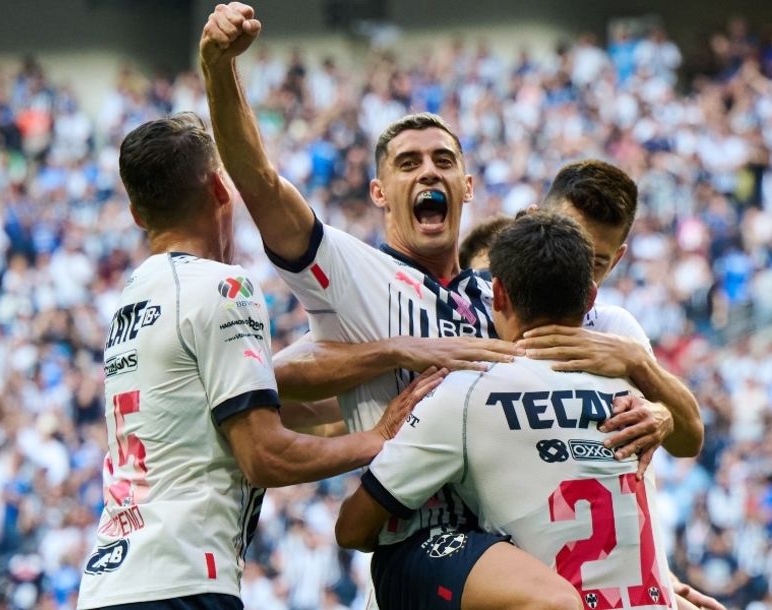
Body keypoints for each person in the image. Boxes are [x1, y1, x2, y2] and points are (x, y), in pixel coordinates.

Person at [199, 5, 708, 609]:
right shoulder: (355, 275)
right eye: (408, 163)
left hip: (508, 559)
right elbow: (260, 185)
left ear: (467, 186)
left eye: (444, 160)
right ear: (379, 191)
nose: (428, 171)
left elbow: (602, 417)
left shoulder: (503, 298)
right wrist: (219, 68)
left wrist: (659, 428)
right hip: (419, 549)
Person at [76, 114, 444, 610]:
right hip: (179, 583)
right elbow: (265, 455)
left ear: (137, 215)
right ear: (219, 189)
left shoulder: (131, 300)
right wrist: (376, 438)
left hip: (110, 584)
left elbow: (236, 417)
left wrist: (381, 377)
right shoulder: (222, 286)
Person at [336, 212, 679, 609]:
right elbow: (690, 436)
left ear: (497, 294)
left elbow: (352, 529)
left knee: (404, 557)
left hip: (553, 602)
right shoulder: (635, 392)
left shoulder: (466, 392)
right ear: (590, 297)